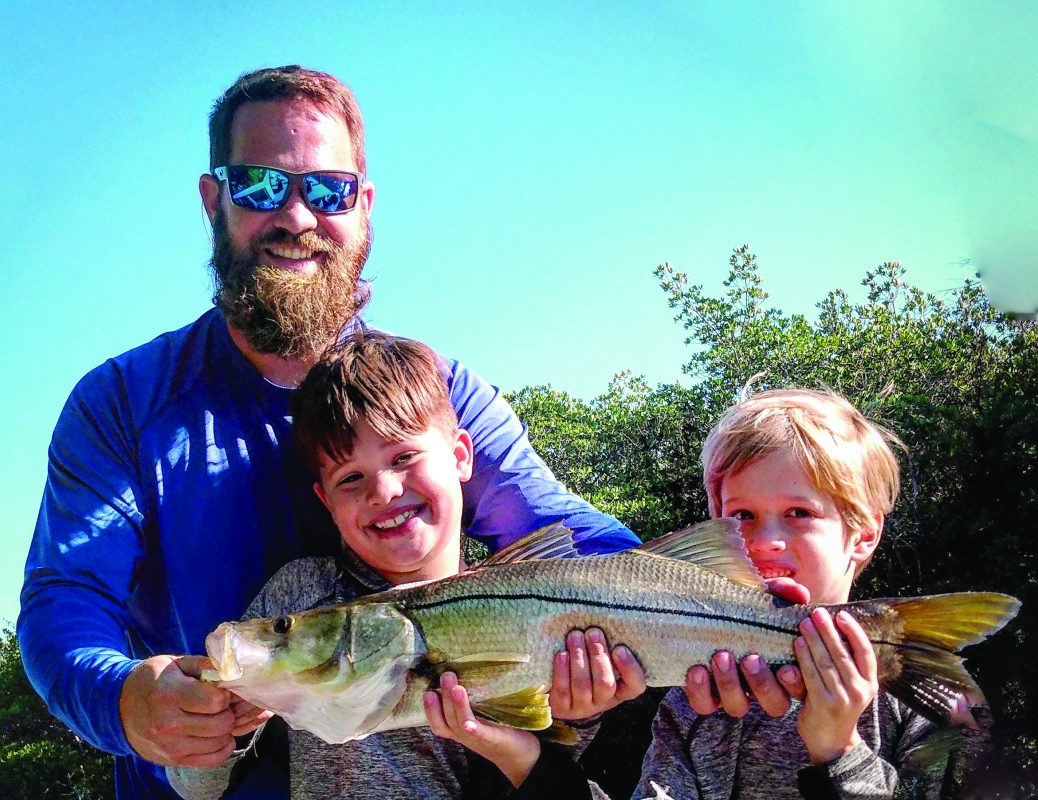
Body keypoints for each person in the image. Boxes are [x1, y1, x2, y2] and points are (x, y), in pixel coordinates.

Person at [17, 65, 641, 799]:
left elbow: (568, 535)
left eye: (328, 190)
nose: (296, 216)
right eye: (259, 186)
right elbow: (66, 600)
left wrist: (694, 612)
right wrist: (123, 698)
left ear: (364, 206)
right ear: (213, 201)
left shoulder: (439, 393)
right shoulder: (121, 403)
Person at [168, 330, 642, 799]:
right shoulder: (301, 593)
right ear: (325, 502)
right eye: (350, 478)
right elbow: (195, 786)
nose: (384, 491)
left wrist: (582, 711)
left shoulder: (535, 598)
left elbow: (547, 778)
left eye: (404, 457)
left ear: (460, 456)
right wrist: (220, 723)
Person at [633, 388, 953, 800]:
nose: (765, 541)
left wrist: (841, 750)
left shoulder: (917, 696)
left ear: (864, 534)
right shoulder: (693, 699)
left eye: (799, 513)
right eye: (742, 515)